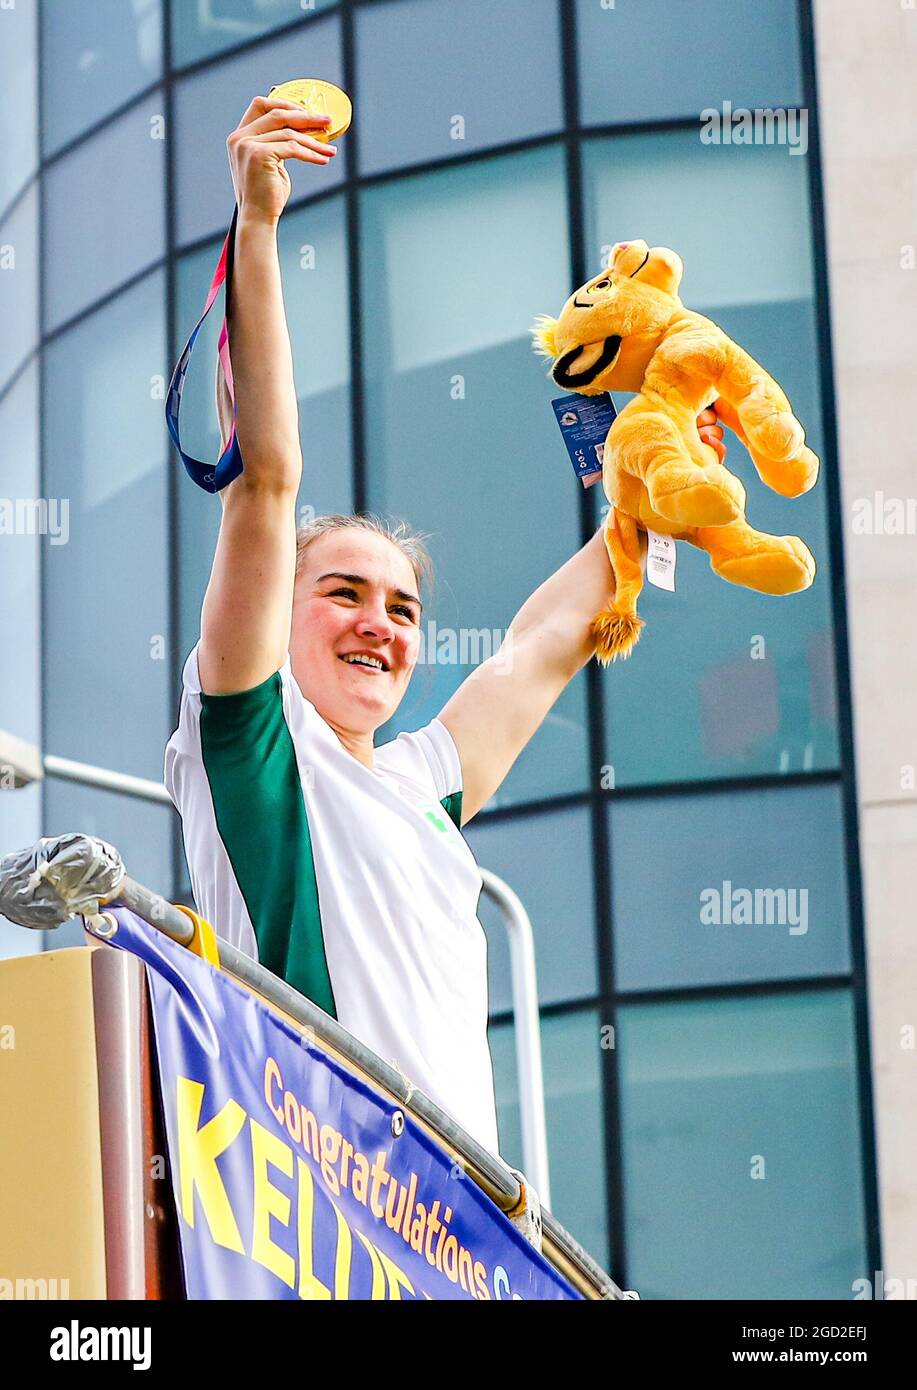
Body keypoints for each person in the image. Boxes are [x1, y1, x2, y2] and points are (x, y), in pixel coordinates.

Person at [165, 95, 727, 1154]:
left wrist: (654, 482)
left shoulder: (423, 780)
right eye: (341, 592)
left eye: (403, 607)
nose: (379, 623)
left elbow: (540, 642)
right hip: (320, 1198)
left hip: (454, 1232)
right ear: (269, 612)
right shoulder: (251, 747)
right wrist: (254, 228)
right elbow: (266, 483)